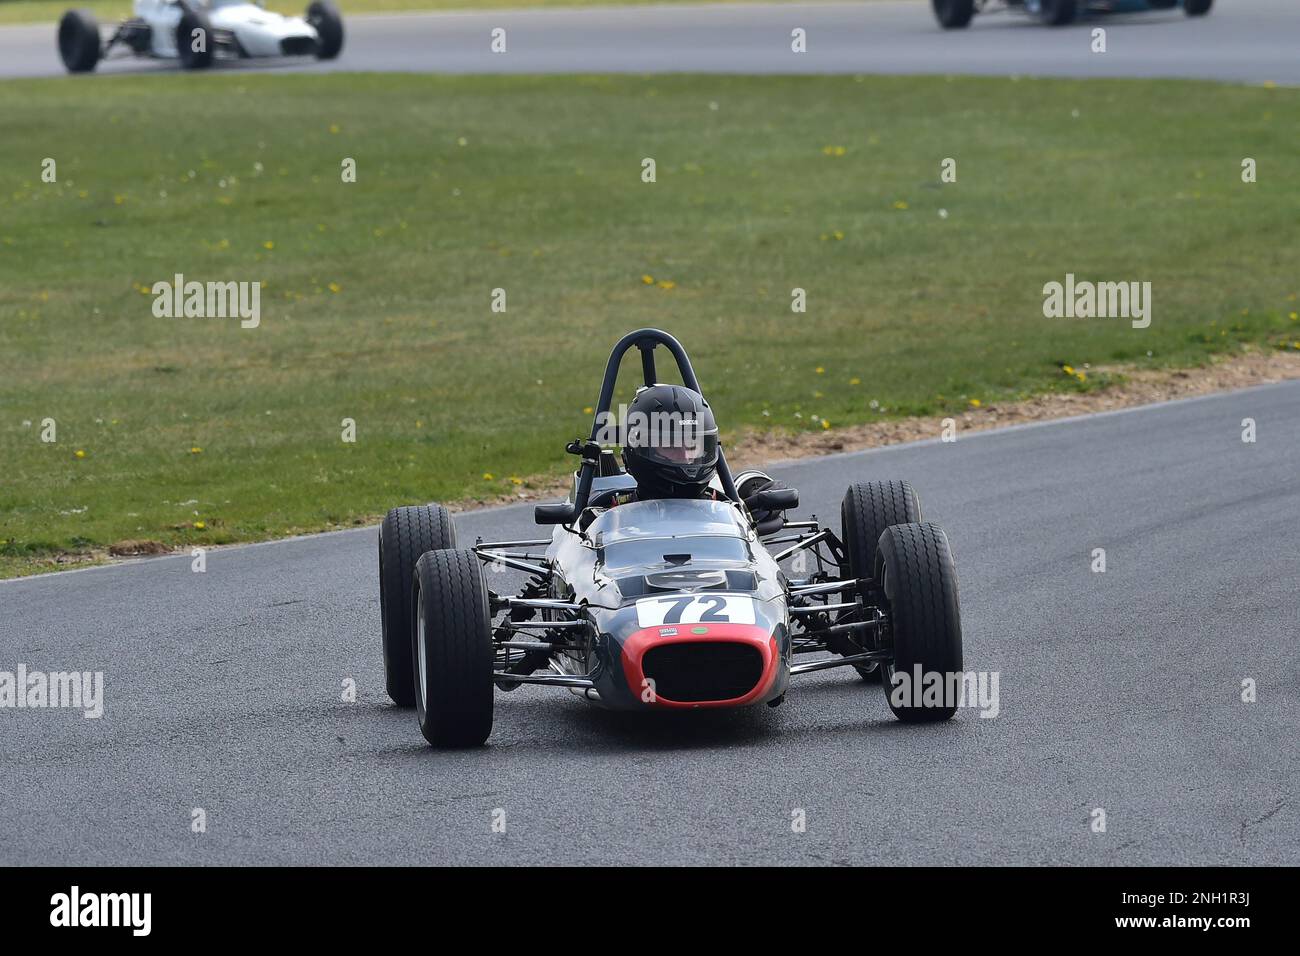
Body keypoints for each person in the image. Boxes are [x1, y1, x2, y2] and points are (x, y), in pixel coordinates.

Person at [620, 384, 719, 500]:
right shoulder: (614, 516)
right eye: (671, 446)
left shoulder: (726, 510)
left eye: (692, 445)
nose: (686, 457)